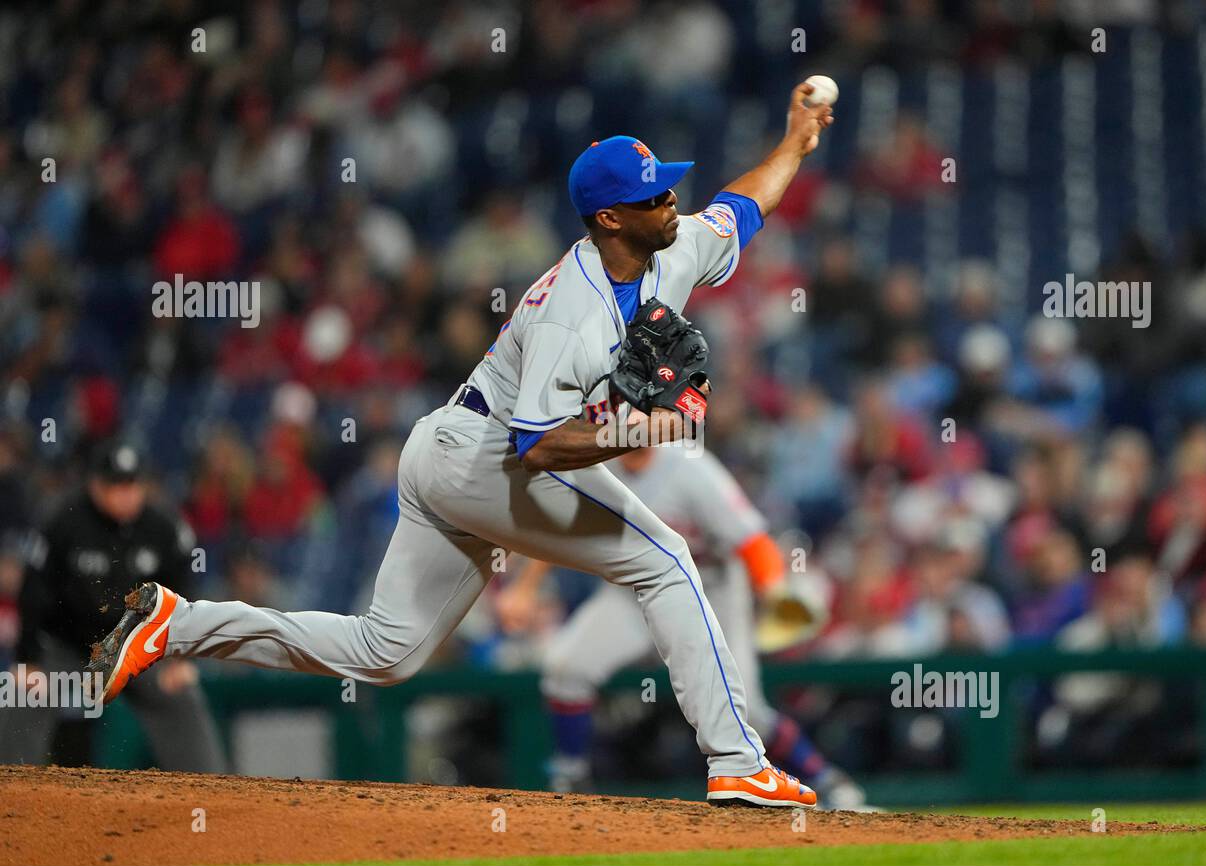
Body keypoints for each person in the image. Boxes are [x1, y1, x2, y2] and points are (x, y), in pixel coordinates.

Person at [86, 84, 835, 808]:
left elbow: (742, 208)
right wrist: (649, 427)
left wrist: (795, 142)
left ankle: (175, 624)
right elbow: (539, 447)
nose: (672, 201)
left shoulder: (669, 249)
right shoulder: (573, 313)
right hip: (489, 456)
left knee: (385, 651)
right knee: (667, 560)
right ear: (609, 217)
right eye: (653, 196)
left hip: (449, 452)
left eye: (668, 189)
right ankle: (739, 763)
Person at [497, 444, 874, 810]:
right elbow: (563, 526)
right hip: (634, 591)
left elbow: (752, 540)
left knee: (745, 712)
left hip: (714, 590)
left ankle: (826, 780)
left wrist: (774, 589)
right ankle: (570, 778)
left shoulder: (691, 468)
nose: (629, 419)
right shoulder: (596, 464)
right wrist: (525, 588)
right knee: (567, 667)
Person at [0, 441, 225, 772]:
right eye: (115, 485)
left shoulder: (164, 527)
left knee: (181, 695)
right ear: (95, 484)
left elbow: (183, 595)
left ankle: (214, 795)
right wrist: (27, 659)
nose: (125, 494)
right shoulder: (63, 519)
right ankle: (10, 787)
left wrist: (179, 656)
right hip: (69, 647)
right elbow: (34, 591)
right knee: (24, 692)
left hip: (136, 646)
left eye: (131, 484)